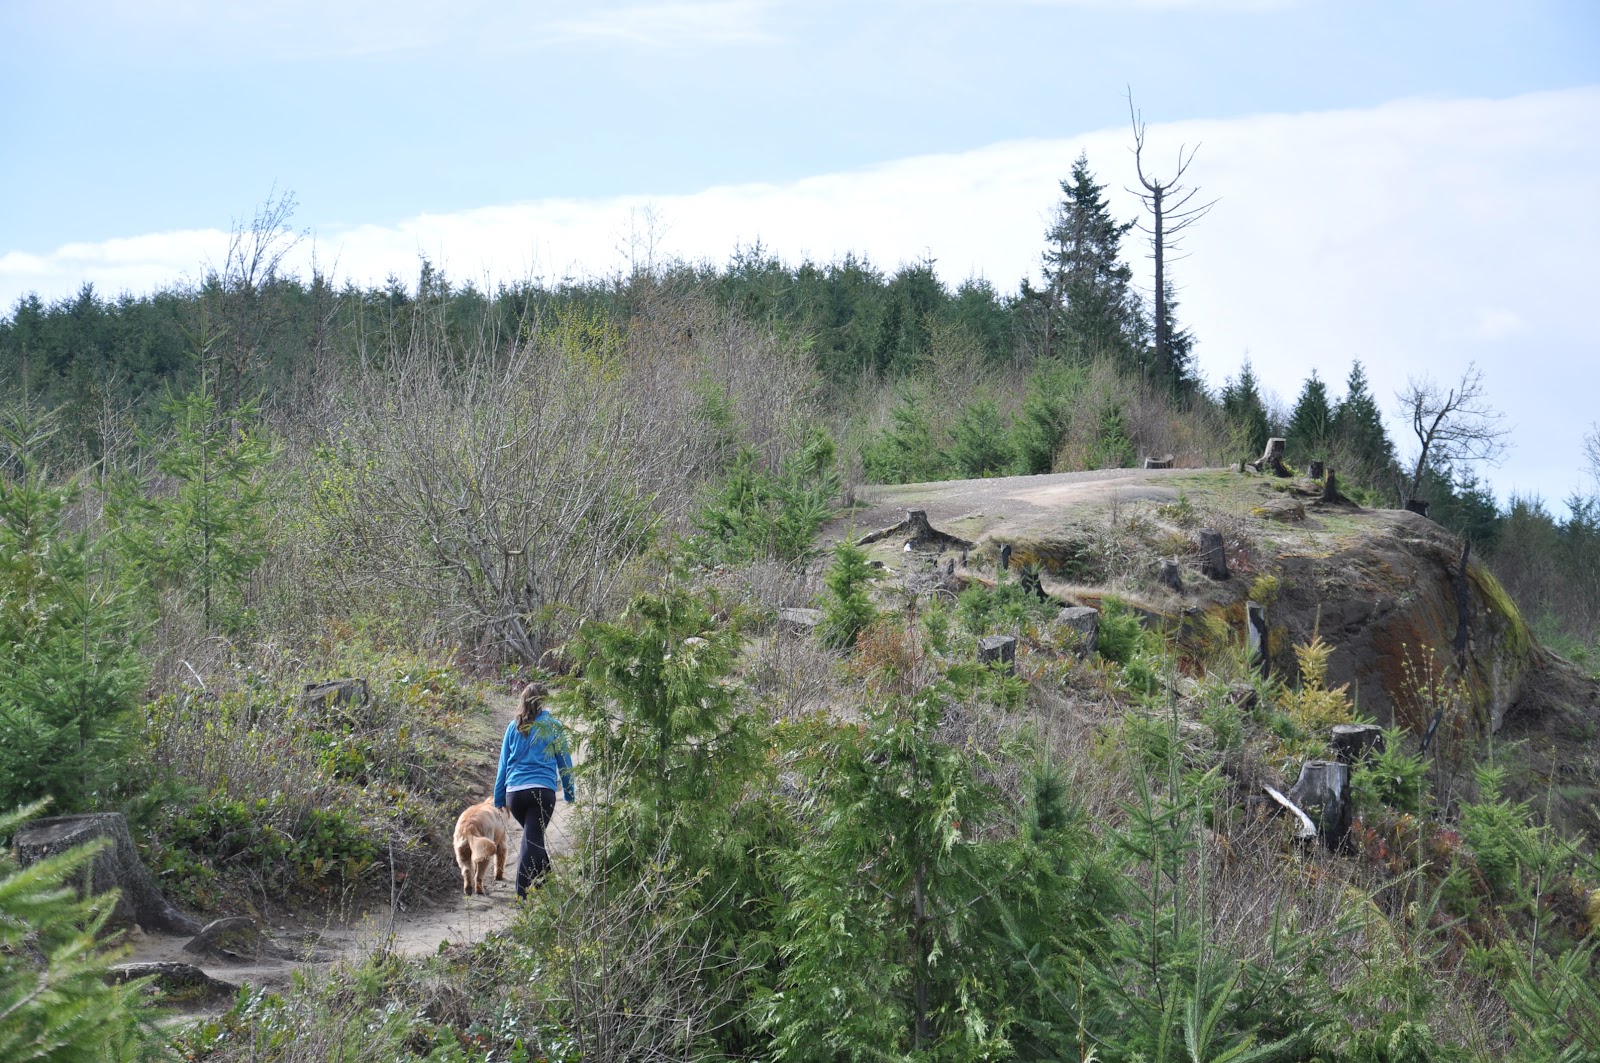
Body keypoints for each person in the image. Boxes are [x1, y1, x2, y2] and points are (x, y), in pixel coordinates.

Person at [492, 682, 575, 897]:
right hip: (542, 792)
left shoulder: (513, 727)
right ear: (544, 701)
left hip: (515, 794)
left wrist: (499, 797)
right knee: (532, 840)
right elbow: (564, 761)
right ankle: (522, 894)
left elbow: (503, 765)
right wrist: (569, 791)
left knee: (533, 838)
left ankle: (547, 886)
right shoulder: (553, 726)